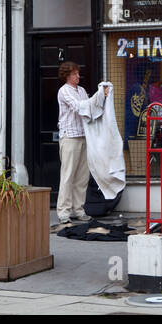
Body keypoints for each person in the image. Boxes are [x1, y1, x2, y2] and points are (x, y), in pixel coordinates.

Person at [56, 61, 102, 224]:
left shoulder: (81, 90)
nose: (78, 76)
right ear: (67, 75)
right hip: (70, 136)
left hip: (83, 135)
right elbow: (79, 106)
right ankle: (63, 211)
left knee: (82, 176)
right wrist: (98, 96)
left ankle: (78, 209)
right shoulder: (64, 91)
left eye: (77, 73)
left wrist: (100, 97)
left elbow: (90, 108)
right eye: (75, 74)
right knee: (68, 175)